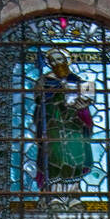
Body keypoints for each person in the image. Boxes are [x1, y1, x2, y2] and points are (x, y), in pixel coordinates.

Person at [33, 47, 95, 190]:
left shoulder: (77, 81)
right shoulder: (44, 81)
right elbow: (39, 103)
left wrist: (83, 107)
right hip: (52, 125)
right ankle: (53, 194)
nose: (57, 63)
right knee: (54, 157)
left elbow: (86, 103)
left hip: (74, 126)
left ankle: (74, 193)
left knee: (76, 157)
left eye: (60, 60)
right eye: (53, 61)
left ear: (66, 61)